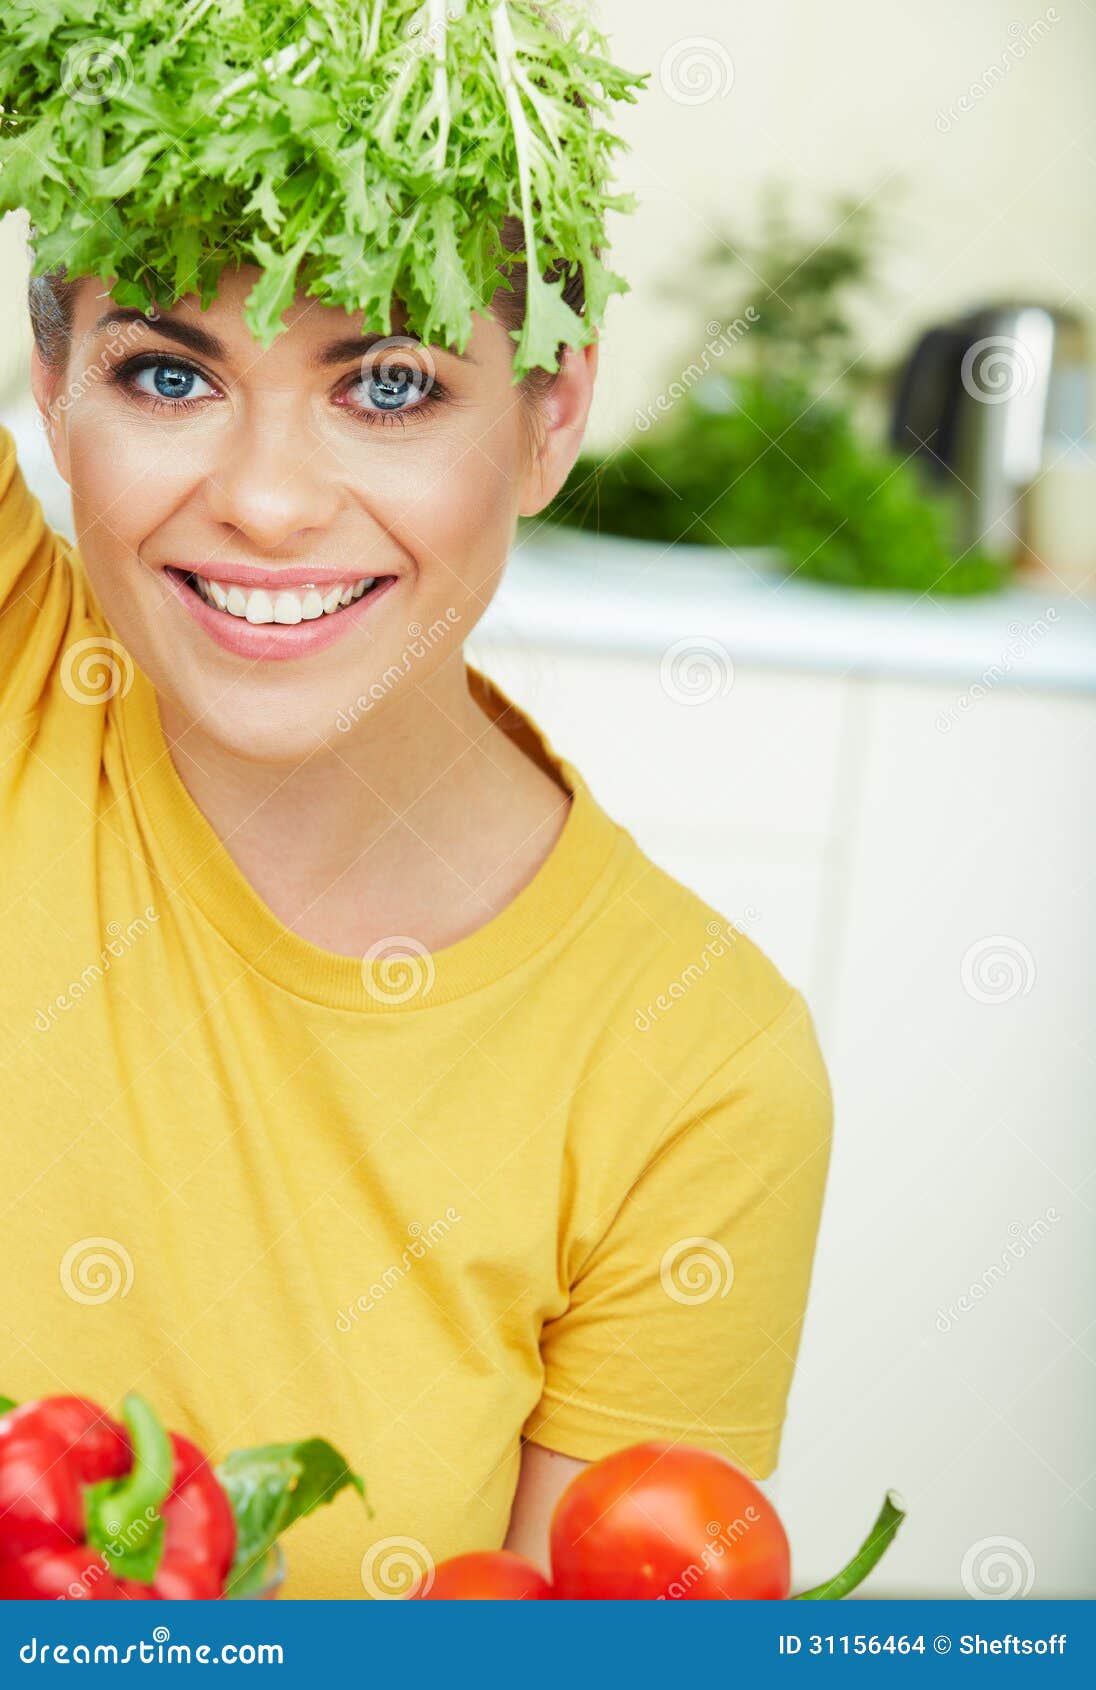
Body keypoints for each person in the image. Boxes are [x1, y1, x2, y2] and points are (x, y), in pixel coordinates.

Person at [0, 1, 832, 1599]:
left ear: (552, 413)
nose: (262, 498)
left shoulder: (701, 1070)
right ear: (52, 388)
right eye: (167, 372)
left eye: (387, 383)